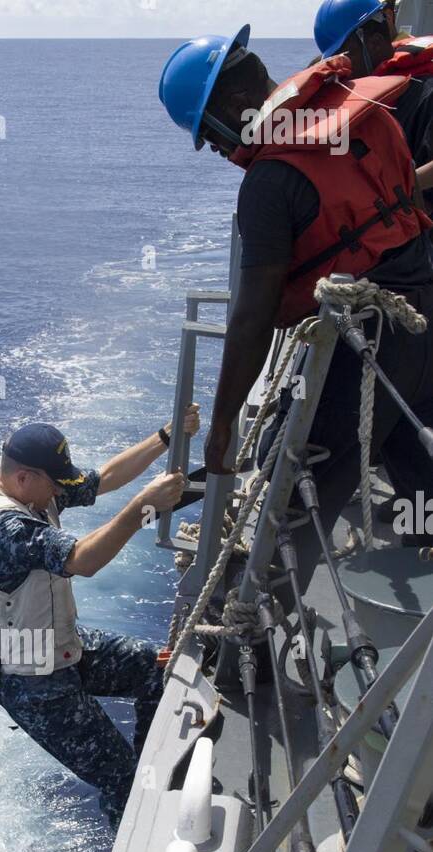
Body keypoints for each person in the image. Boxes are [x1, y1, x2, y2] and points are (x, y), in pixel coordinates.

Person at [159, 26, 433, 576]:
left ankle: (256, 648)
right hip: (422, 320)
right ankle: (421, 547)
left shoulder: (269, 182)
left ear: (236, 105)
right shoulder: (358, 110)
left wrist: (221, 425)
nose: (216, 148)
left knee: (287, 513)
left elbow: (255, 315)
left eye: (209, 133)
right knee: (414, 459)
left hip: (368, 347)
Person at [0, 411, 199, 828]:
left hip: (55, 642)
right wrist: (146, 505)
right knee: (121, 778)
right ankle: (136, 840)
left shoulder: (30, 490)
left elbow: (102, 479)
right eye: (53, 484)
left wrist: (164, 436)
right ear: (24, 478)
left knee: (155, 668)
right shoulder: (6, 528)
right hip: (30, 680)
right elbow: (83, 560)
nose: (60, 492)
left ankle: (155, 770)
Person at [314, 0, 433, 214]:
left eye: (344, 57)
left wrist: (405, 186)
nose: (340, 68)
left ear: (376, 43)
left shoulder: (425, 95)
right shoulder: (369, 100)